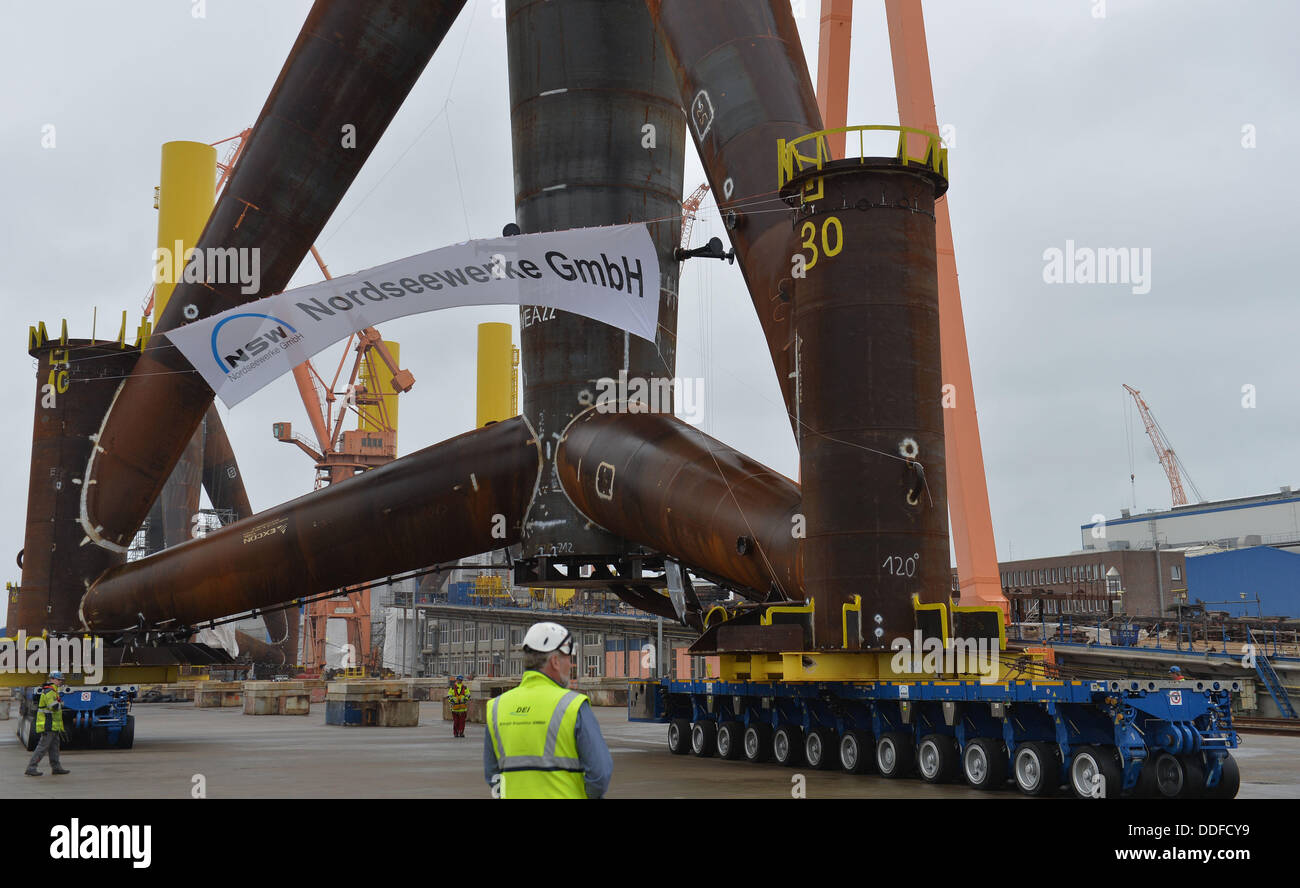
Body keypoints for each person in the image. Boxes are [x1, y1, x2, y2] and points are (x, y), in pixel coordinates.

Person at [483, 621, 612, 798]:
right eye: (568, 657)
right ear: (555, 662)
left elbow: (492, 774)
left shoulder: (496, 707)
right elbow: (600, 774)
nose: (570, 664)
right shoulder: (573, 705)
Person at [26, 672, 70, 777]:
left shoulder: (53, 691)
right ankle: (31, 767)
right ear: (53, 679)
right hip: (48, 724)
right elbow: (53, 706)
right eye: (59, 680)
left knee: (54, 747)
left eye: (61, 680)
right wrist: (62, 704)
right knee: (42, 747)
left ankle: (56, 767)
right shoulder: (50, 691)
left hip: (53, 725)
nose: (60, 682)